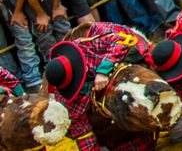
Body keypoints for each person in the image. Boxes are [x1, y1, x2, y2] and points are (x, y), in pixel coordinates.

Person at [44, 22, 155, 151]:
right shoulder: (68, 103)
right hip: (117, 131)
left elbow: (122, 40)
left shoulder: (89, 44)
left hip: (127, 65)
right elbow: (83, 136)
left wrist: (103, 70)